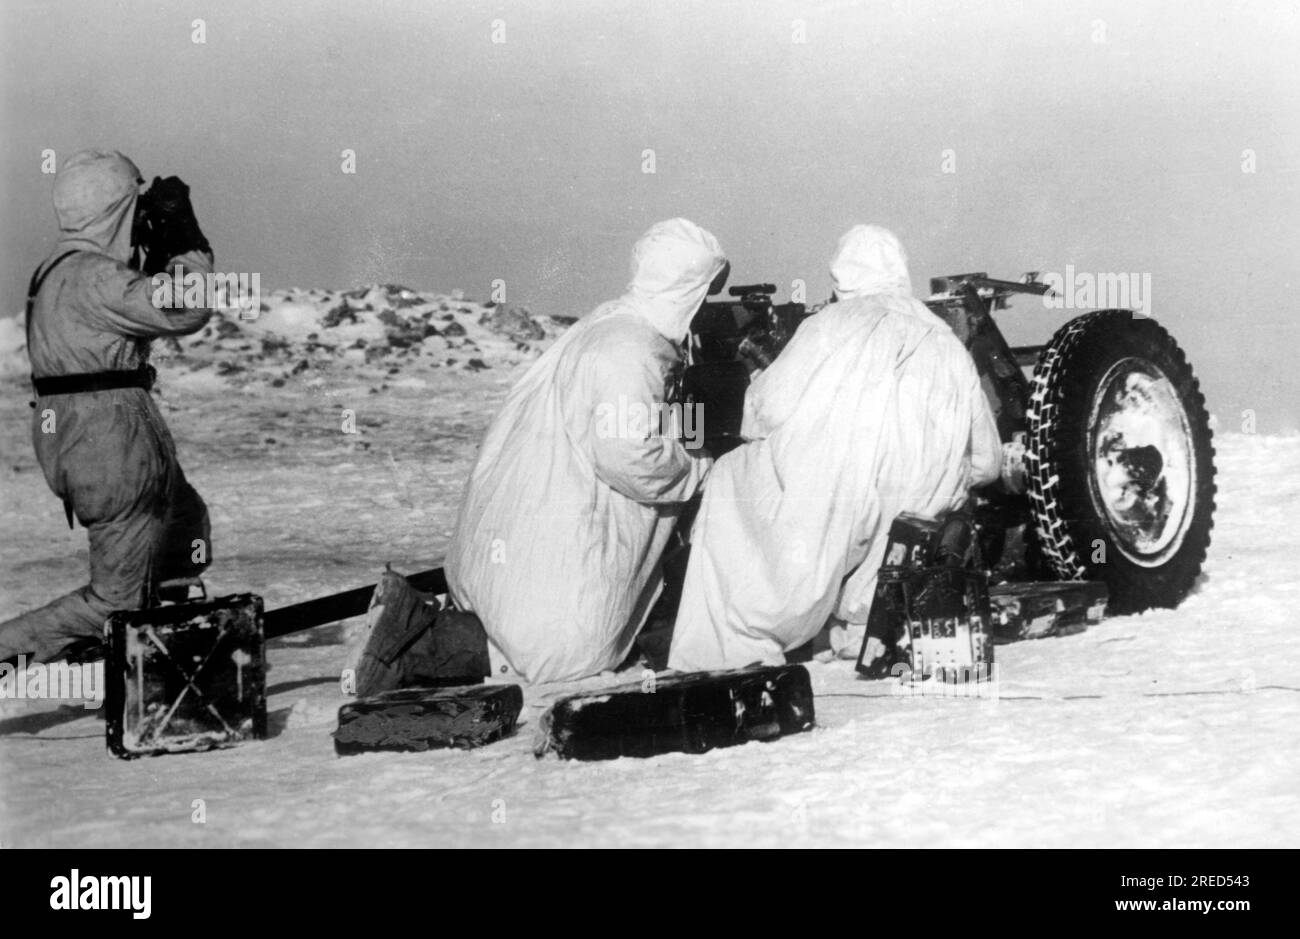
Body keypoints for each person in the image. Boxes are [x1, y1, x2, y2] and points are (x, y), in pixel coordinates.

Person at [668, 224, 1001, 672]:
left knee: (732, 477)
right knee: (895, 526)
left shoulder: (826, 325)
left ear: (842, 276)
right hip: (918, 511)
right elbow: (986, 462)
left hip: (837, 495)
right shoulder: (945, 340)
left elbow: (762, 412)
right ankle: (869, 630)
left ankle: (732, 650)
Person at [445, 218, 725, 684]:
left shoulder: (618, 328)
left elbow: (672, 424)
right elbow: (628, 456)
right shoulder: (626, 349)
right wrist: (699, 468)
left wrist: (695, 433)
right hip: (552, 559)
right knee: (569, 651)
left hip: (520, 548)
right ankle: (429, 645)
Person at [0, 150, 216, 666]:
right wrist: (184, 241)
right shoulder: (94, 276)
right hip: (109, 438)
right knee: (114, 599)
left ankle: (152, 647)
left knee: (182, 523)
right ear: (116, 209)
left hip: (98, 426)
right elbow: (186, 306)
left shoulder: (59, 271)